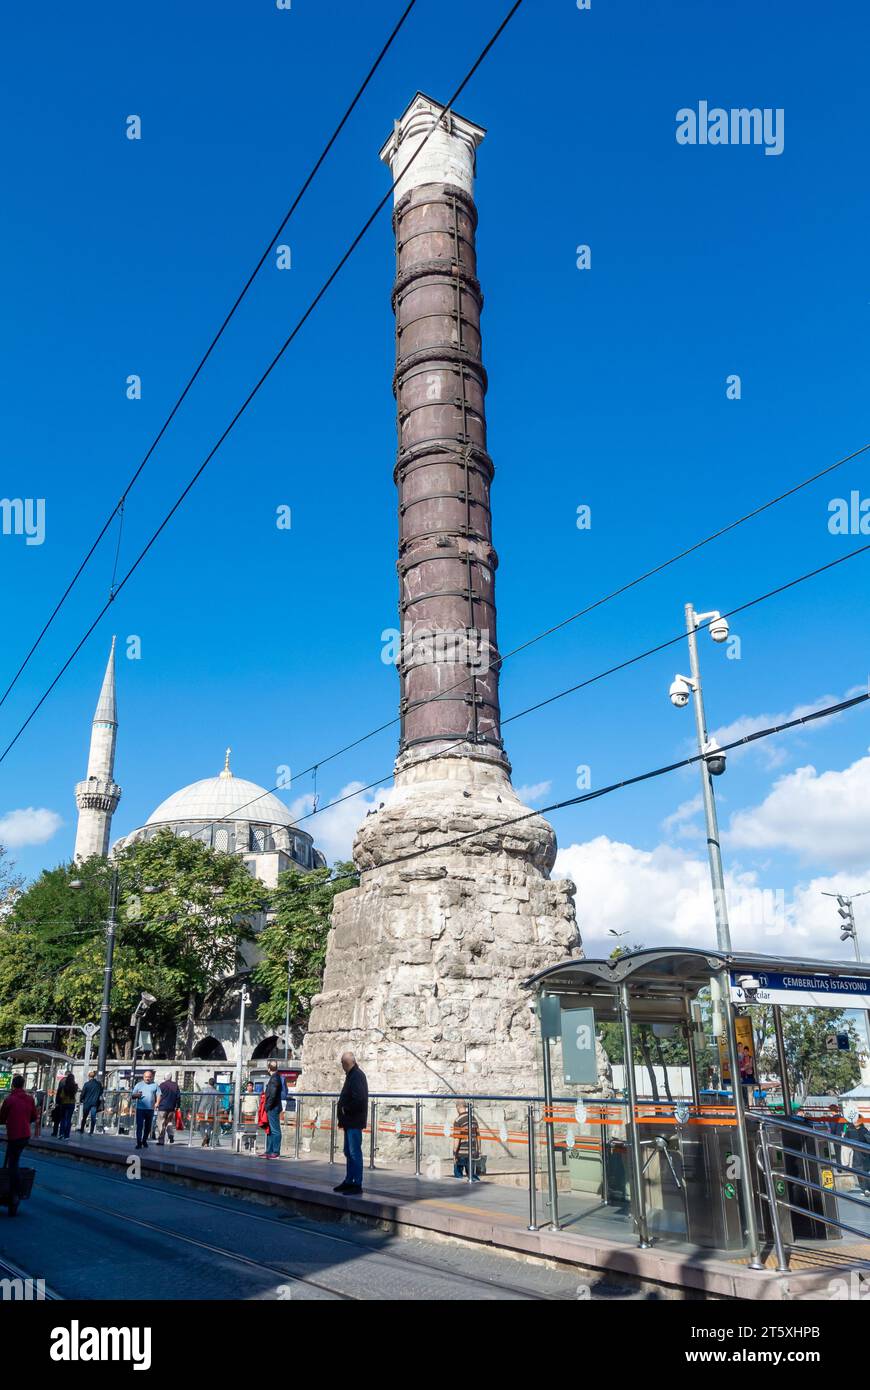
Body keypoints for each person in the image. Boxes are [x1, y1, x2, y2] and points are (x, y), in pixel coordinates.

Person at [1, 1075, 38, 1215]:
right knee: (13, 1159)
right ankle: (13, 1191)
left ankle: (14, 1190)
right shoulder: (29, 1099)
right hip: (25, 1135)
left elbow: (2, 1117)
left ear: (13, 1086)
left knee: (13, 1163)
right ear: (23, 1085)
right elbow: (34, 1116)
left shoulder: (10, 1099)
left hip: (14, 1134)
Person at [334, 1051, 368, 1195]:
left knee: (354, 1152)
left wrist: (345, 1109)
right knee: (349, 1151)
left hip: (354, 1121)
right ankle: (349, 1180)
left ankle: (357, 1183)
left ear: (346, 1063)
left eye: (342, 1063)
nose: (342, 1066)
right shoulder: (353, 1075)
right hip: (350, 1121)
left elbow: (359, 1099)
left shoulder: (356, 1076)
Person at [258, 1062, 283, 1159]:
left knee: (275, 1130)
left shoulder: (274, 1078)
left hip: (272, 1107)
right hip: (273, 1106)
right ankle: (269, 1151)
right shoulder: (276, 1077)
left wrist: (267, 1106)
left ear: (269, 1069)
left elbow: (272, 1095)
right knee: (270, 1130)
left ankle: (275, 1152)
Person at [130, 1069, 159, 1150]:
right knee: (139, 1126)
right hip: (140, 1109)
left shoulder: (155, 1085)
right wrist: (137, 1095)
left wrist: (157, 1103)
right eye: (146, 1077)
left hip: (150, 1109)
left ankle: (144, 1140)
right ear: (143, 1077)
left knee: (148, 1127)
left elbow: (159, 1094)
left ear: (152, 1077)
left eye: (149, 1077)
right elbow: (132, 1096)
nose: (147, 1078)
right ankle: (139, 1143)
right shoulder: (139, 1085)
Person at [842, 1114, 870, 1197]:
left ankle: (866, 1189)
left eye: (858, 1119)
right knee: (858, 1172)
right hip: (855, 1155)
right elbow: (845, 1141)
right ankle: (864, 1188)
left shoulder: (864, 1130)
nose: (856, 1121)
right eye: (854, 1119)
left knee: (864, 1172)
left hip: (864, 1155)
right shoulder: (850, 1129)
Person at [453, 1101, 481, 1181]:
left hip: (461, 1153)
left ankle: (459, 1189)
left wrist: (454, 1153)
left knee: (458, 1175)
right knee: (472, 1174)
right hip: (472, 1152)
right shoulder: (473, 1118)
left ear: (458, 1107)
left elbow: (457, 1138)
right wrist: (478, 1150)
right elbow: (478, 1136)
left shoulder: (458, 1120)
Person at [155, 1072, 181, 1146]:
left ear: (164, 1077)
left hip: (162, 1107)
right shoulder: (175, 1085)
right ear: (171, 1077)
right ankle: (171, 1135)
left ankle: (161, 1140)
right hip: (172, 1108)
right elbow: (178, 1097)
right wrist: (178, 1106)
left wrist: (156, 1103)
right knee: (169, 1122)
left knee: (161, 1123)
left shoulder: (162, 1085)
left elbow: (158, 1095)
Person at [78, 1070, 103, 1135]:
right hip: (94, 1102)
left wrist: (81, 1099)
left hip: (87, 1102)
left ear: (89, 1076)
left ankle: (82, 1129)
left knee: (84, 1116)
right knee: (93, 1117)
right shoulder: (98, 1084)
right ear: (94, 1076)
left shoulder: (87, 1084)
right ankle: (91, 1131)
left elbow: (83, 1093)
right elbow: (101, 1092)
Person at [55, 1072, 78, 1139]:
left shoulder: (64, 1087)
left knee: (63, 1119)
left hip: (64, 1103)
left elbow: (62, 1096)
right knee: (68, 1119)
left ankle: (61, 1133)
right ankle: (67, 1135)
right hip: (71, 1103)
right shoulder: (75, 1086)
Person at [198, 1077, 218, 1147]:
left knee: (201, 1125)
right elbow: (217, 1102)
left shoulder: (203, 1090)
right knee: (209, 1126)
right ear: (214, 1084)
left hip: (202, 1110)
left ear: (208, 1082)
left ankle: (204, 1137)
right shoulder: (216, 1092)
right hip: (211, 1111)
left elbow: (198, 1099)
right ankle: (207, 1140)